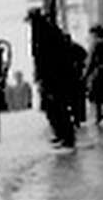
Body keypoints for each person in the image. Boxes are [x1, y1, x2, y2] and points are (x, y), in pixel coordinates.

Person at [28, 9, 77, 147]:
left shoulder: (43, 33)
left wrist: (42, 75)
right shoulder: (48, 30)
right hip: (54, 76)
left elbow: (44, 58)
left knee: (56, 107)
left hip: (54, 77)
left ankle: (66, 137)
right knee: (54, 107)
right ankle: (62, 135)